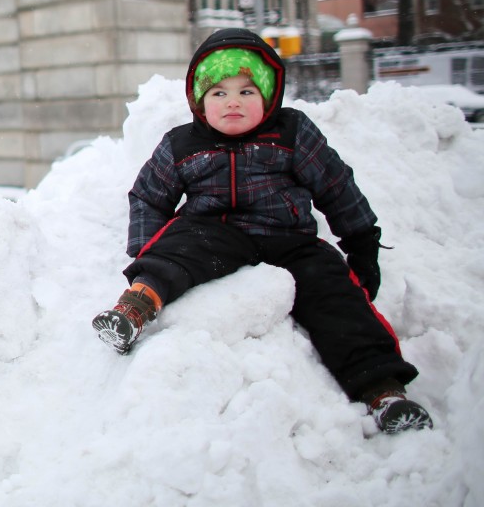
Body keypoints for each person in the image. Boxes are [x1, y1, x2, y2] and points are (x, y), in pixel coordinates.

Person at [92, 27, 433, 434]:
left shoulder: (292, 133)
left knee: (333, 293)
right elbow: (150, 196)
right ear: (200, 100)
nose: (232, 101)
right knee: (179, 246)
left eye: (246, 92)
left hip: (290, 238)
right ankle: (134, 308)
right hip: (214, 231)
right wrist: (145, 252)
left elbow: (335, 184)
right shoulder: (182, 143)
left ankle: (382, 390)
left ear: (268, 97)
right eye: (218, 92)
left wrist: (361, 242)